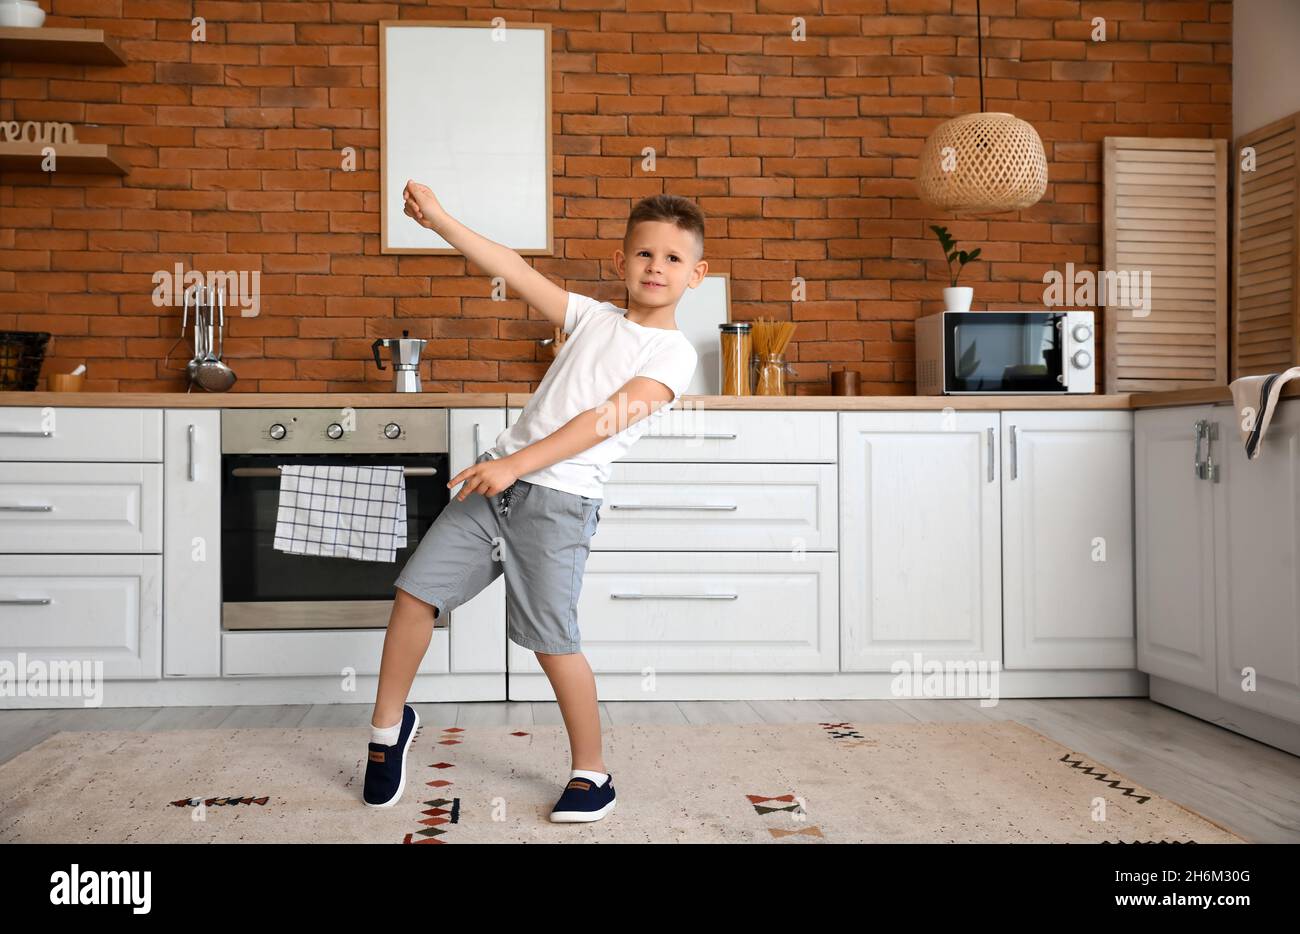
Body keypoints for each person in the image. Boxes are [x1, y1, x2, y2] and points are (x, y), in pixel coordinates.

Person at [362, 182, 704, 822]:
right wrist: (439, 219)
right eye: (644, 254)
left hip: (557, 503)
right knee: (415, 594)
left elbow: (607, 418)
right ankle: (387, 730)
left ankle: (592, 774)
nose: (656, 267)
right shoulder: (591, 318)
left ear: (696, 274)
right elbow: (513, 268)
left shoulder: (673, 353)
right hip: (496, 483)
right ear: (620, 261)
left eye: (672, 259)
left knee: (552, 641)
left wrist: (515, 464)